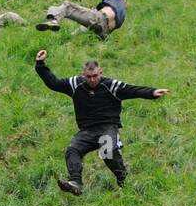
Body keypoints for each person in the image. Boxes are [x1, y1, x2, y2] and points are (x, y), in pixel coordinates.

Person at [34, 49, 168, 196]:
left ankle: (124, 181)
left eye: (95, 76)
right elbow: (54, 83)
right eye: (88, 76)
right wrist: (40, 64)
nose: (92, 80)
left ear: (101, 73)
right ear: (83, 75)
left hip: (108, 127)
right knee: (72, 150)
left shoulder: (111, 85)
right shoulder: (74, 84)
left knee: (107, 149)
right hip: (87, 130)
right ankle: (75, 183)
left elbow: (132, 90)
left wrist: (152, 92)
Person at [37, 0, 127, 40]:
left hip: (100, 18)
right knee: (89, 26)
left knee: (67, 6)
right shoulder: (122, 15)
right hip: (104, 33)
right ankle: (69, 38)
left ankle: (53, 20)